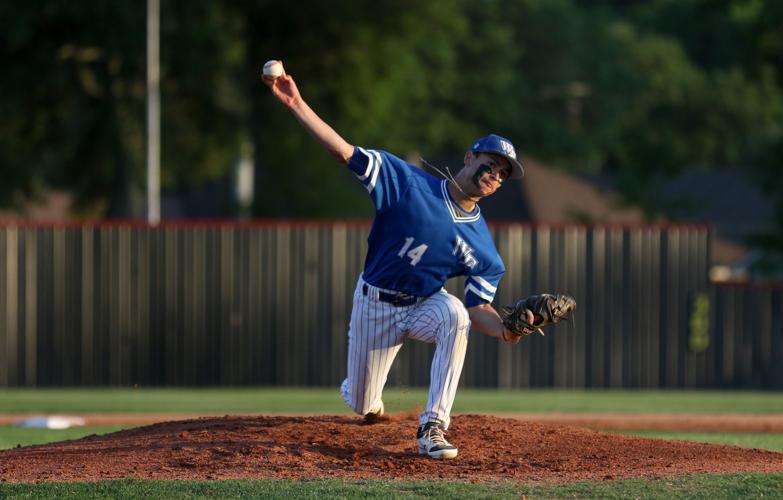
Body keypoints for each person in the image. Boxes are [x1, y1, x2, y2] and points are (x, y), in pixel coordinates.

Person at [263, 61, 533, 460]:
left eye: (502, 174)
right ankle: (363, 392)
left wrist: (508, 331)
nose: (493, 174)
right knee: (361, 403)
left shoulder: (484, 248)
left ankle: (433, 426)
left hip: (424, 305)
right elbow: (343, 152)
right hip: (374, 303)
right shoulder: (406, 182)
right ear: (469, 157)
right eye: (489, 163)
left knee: (455, 315)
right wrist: (296, 104)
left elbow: (479, 309)